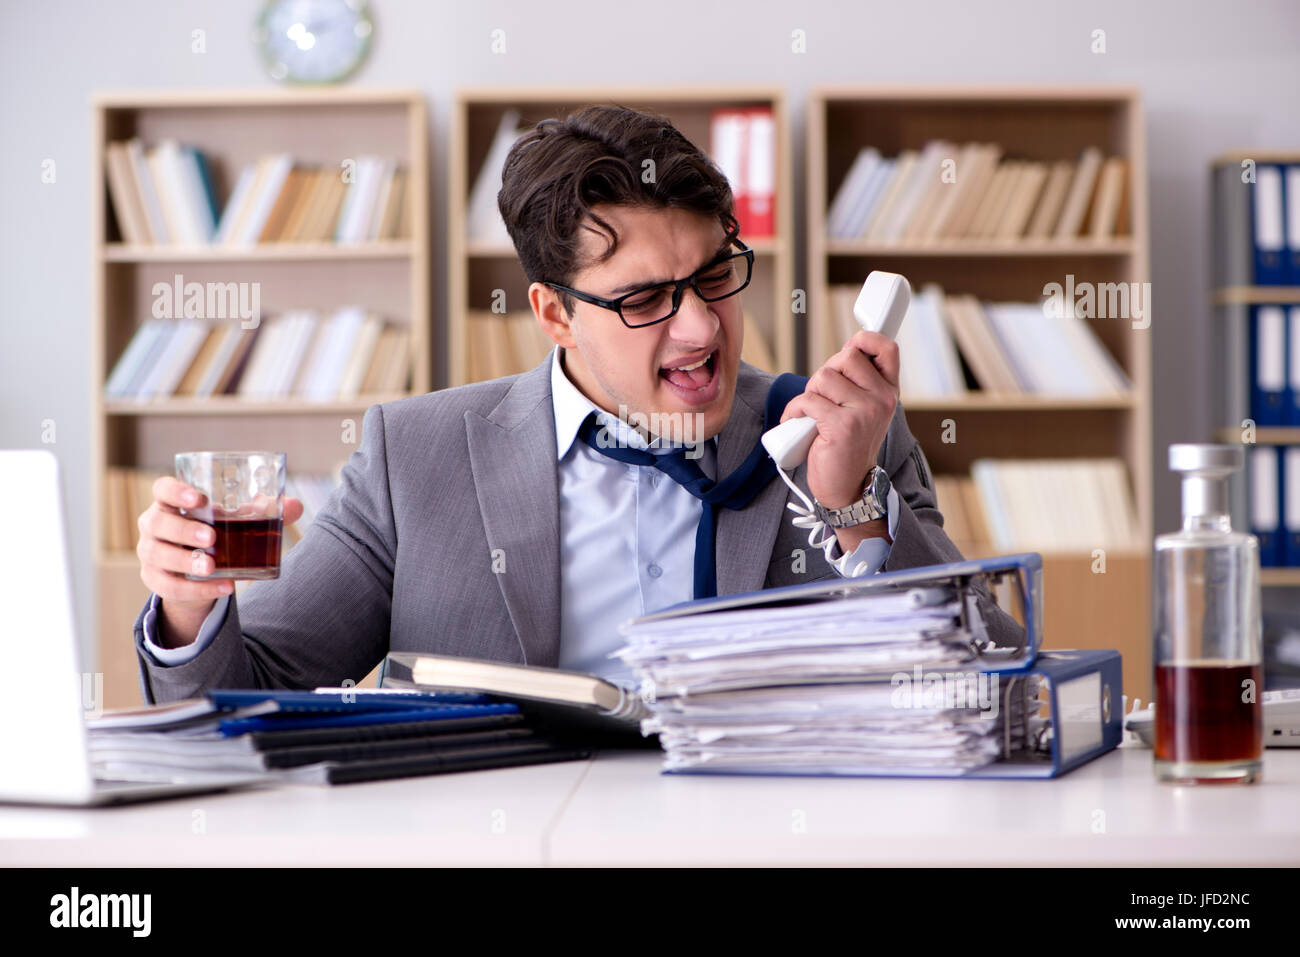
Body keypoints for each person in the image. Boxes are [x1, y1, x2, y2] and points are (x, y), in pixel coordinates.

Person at [131, 104, 1023, 703]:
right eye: (644, 300)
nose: (701, 329)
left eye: (715, 275)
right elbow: (248, 688)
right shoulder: (417, 453)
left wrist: (852, 504)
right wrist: (186, 607)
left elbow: (991, 677)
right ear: (555, 312)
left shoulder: (842, 429)